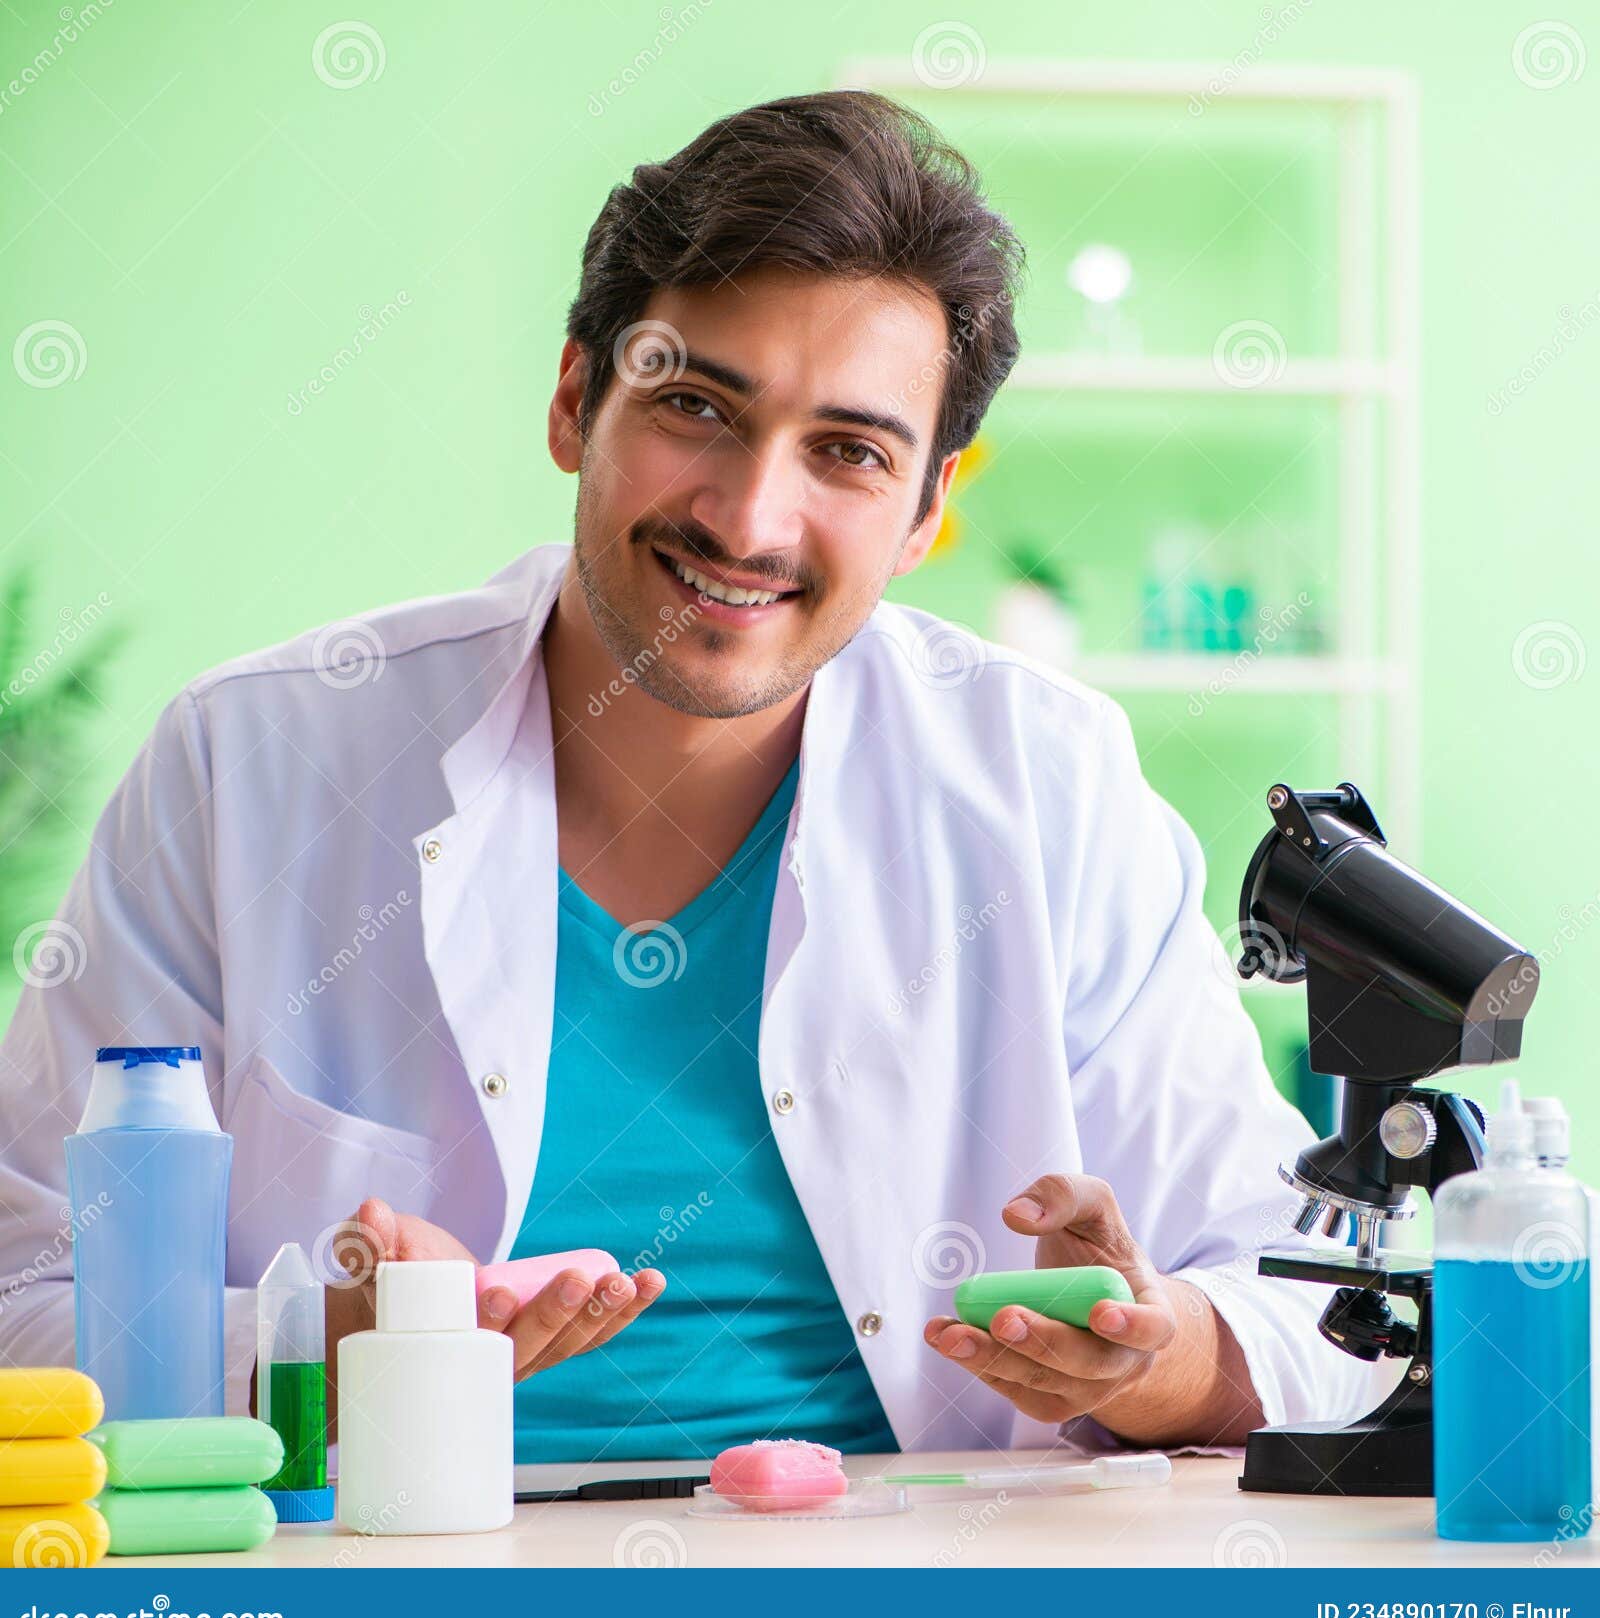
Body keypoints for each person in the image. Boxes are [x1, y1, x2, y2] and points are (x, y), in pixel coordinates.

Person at [0, 91, 1374, 1460]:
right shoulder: (254, 764)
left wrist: (1147, 1357)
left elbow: (1316, 1309)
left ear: (928, 510)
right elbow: (23, 1289)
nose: (750, 514)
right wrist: (313, 1359)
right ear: (572, 400)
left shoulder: (1044, 783)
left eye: (847, 450)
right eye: (696, 405)